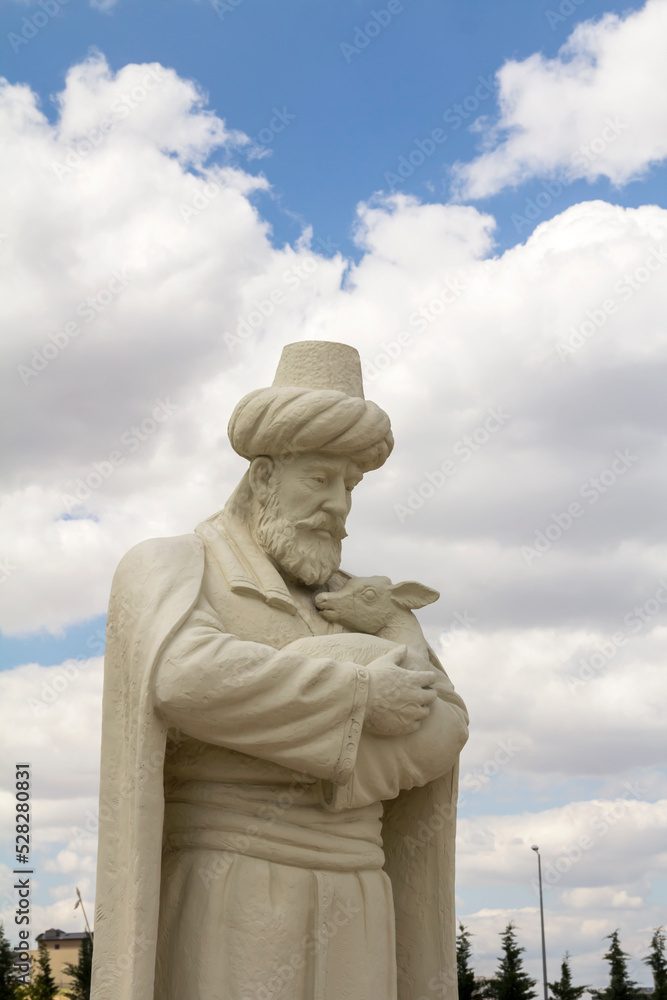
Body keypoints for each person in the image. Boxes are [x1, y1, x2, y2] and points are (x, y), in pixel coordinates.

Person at [90, 341, 469, 1000]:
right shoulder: (174, 565)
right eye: (319, 479)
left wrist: (300, 705)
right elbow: (185, 677)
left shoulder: (366, 604)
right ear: (263, 477)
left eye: (350, 485)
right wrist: (358, 694)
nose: (339, 506)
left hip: (359, 890)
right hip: (233, 884)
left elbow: (445, 728)